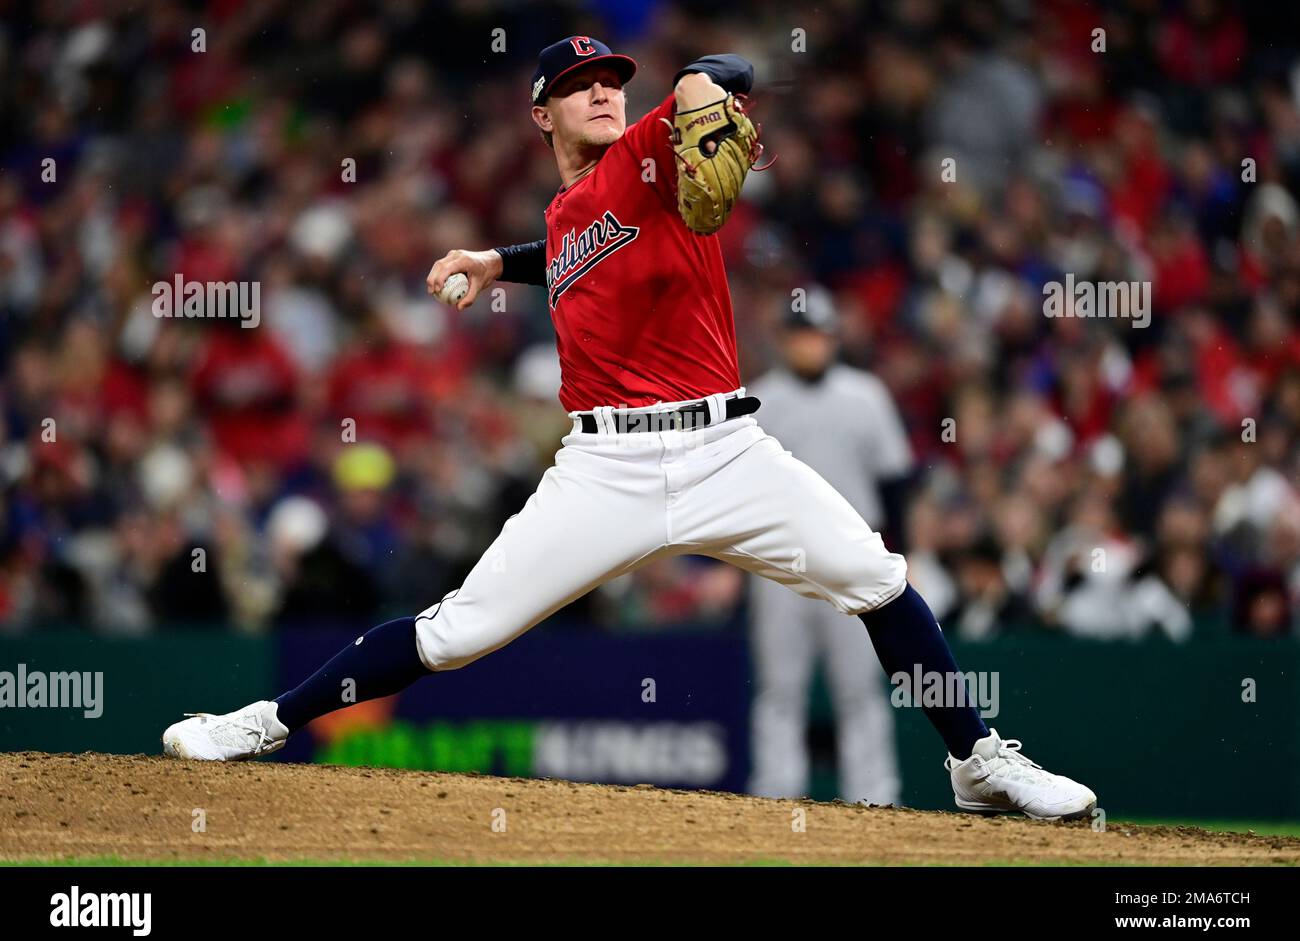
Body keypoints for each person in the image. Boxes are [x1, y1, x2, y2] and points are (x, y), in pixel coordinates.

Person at [163, 36, 1097, 821]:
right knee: (455, 634)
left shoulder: (649, 152)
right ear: (542, 115)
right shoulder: (569, 210)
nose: (604, 90)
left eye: (612, 79)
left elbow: (716, 70)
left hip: (727, 450)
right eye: (578, 86)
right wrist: (497, 262)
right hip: (603, 467)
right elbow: (574, 246)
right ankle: (264, 724)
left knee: (880, 579)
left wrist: (702, 86)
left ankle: (976, 762)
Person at [746, 287, 908, 805]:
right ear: (783, 341)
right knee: (780, 688)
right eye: (801, 336)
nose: (811, 346)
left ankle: (875, 798)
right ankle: (777, 794)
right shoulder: (757, 400)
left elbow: (894, 485)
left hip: (853, 562)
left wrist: (904, 553)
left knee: (859, 689)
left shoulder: (866, 396)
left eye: (819, 335)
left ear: (834, 338)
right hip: (778, 567)